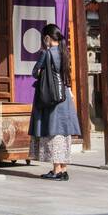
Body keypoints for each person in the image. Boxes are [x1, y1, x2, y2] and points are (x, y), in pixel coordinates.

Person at [29, 23, 81, 181]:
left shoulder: (47, 53)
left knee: (53, 132)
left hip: (51, 98)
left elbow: (34, 73)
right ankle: (63, 169)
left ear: (47, 38)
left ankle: (56, 170)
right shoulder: (64, 52)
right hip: (64, 96)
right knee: (63, 133)